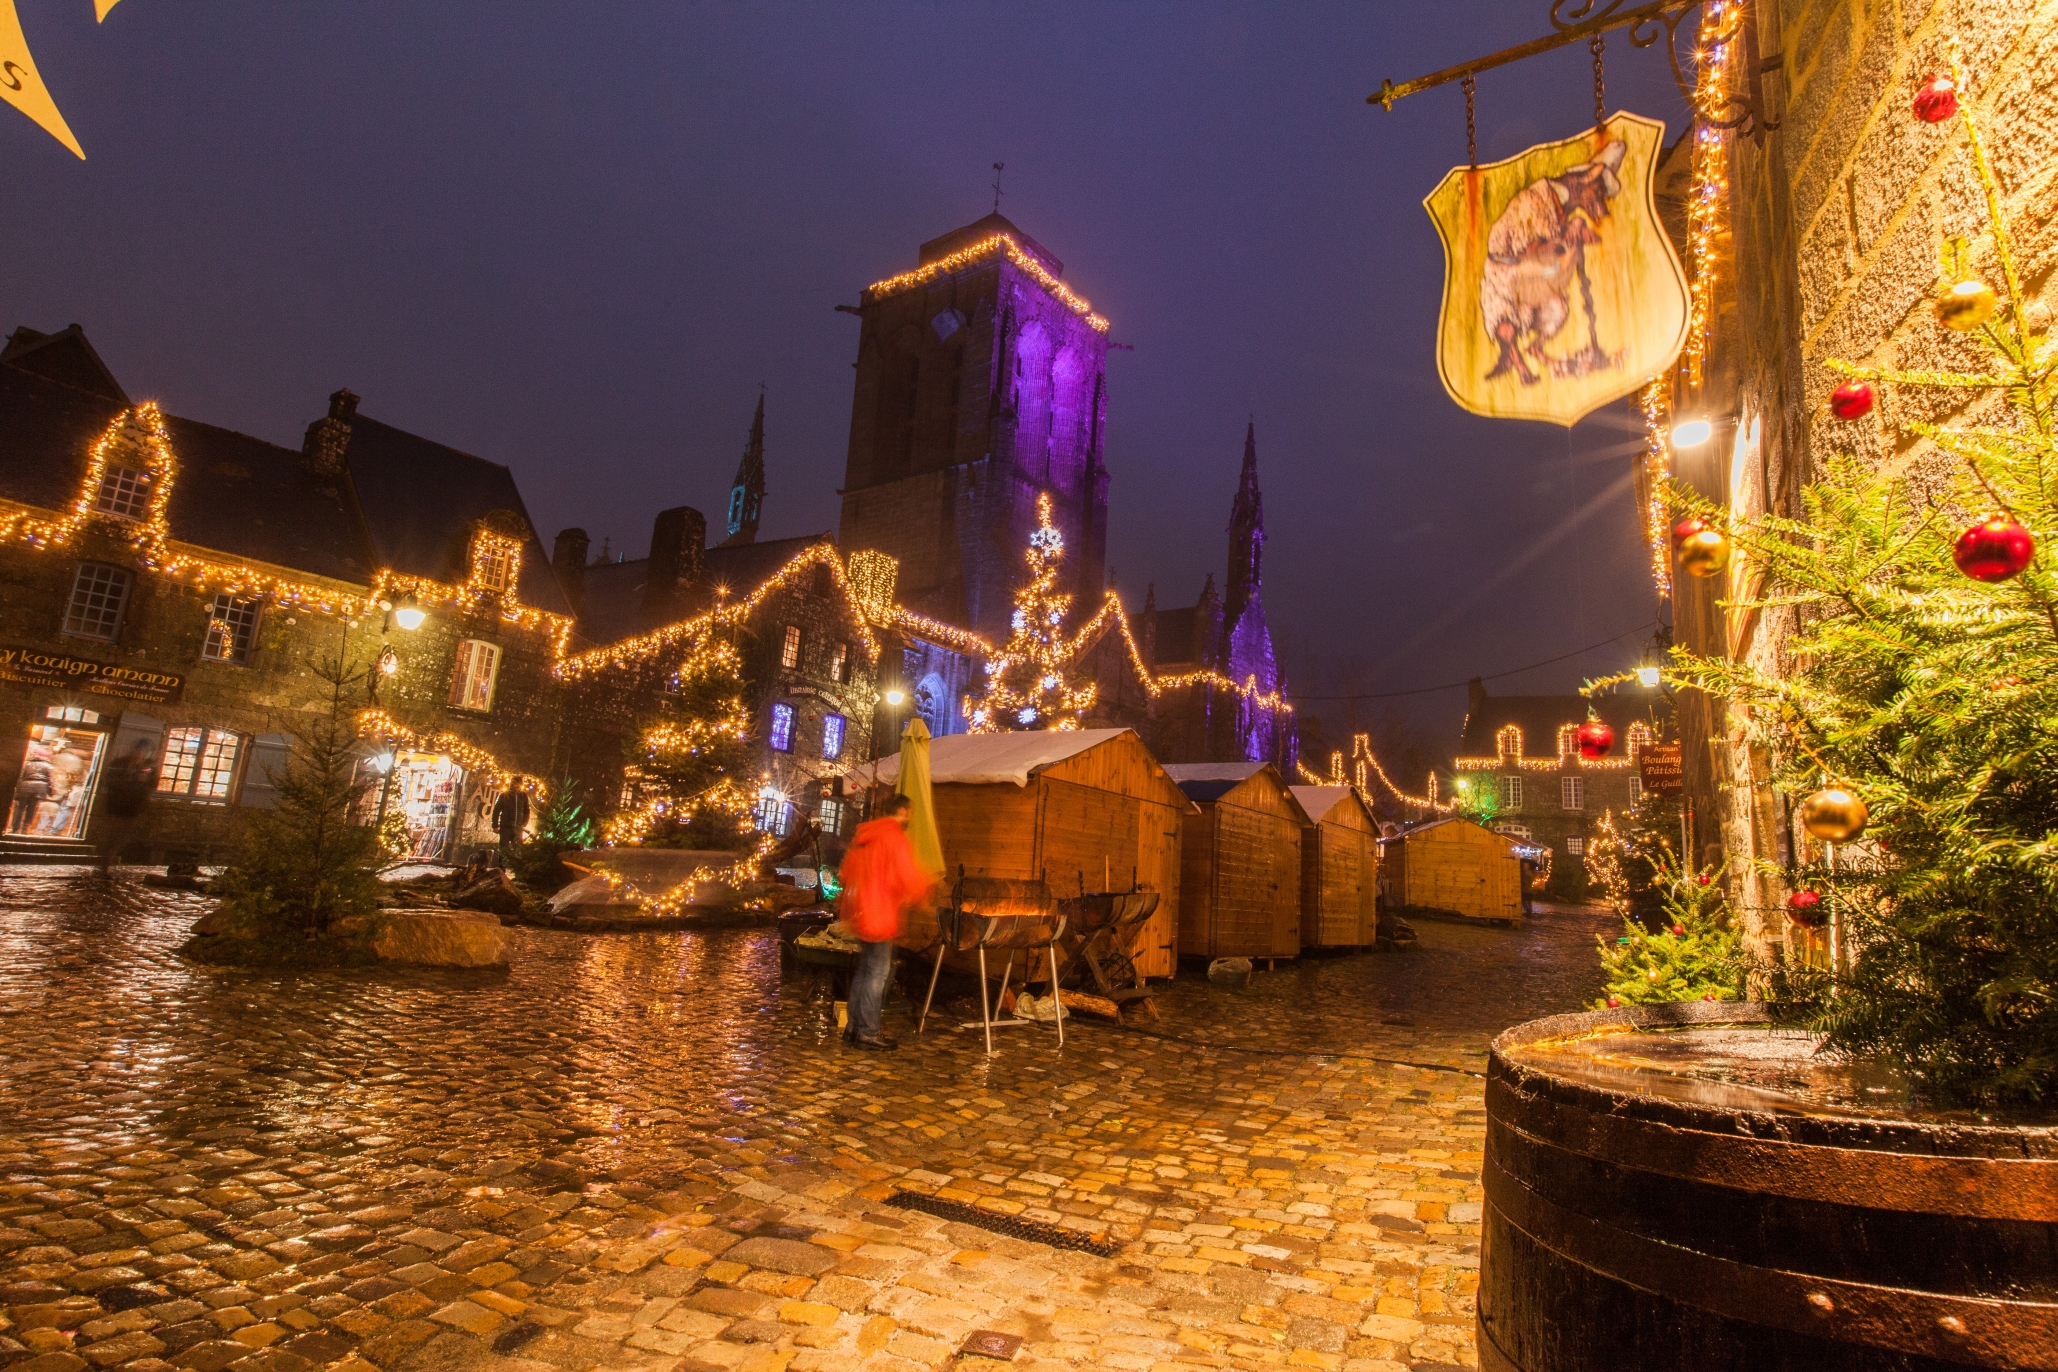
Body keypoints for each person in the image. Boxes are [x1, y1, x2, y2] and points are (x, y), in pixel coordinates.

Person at [835, 793, 933, 1051]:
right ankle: (868, 1032)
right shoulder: (893, 837)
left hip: (860, 912)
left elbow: (845, 874)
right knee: (877, 973)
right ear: (902, 811)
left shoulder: (864, 837)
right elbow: (906, 875)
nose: (910, 817)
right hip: (879, 914)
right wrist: (925, 893)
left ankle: (853, 1029)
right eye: (910, 812)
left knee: (865, 970)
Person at [95, 739, 158, 871]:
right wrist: (132, 778)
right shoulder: (120, 763)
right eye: (140, 750)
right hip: (116, 805)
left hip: (133, 807)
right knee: (112, 835)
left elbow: (152, 785)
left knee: (121, 837)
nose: (141, 754)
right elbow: (111, 781)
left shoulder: (148, 767)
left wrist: (145, 782)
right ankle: (104, 864)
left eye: (145, 751)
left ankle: (108, 862)